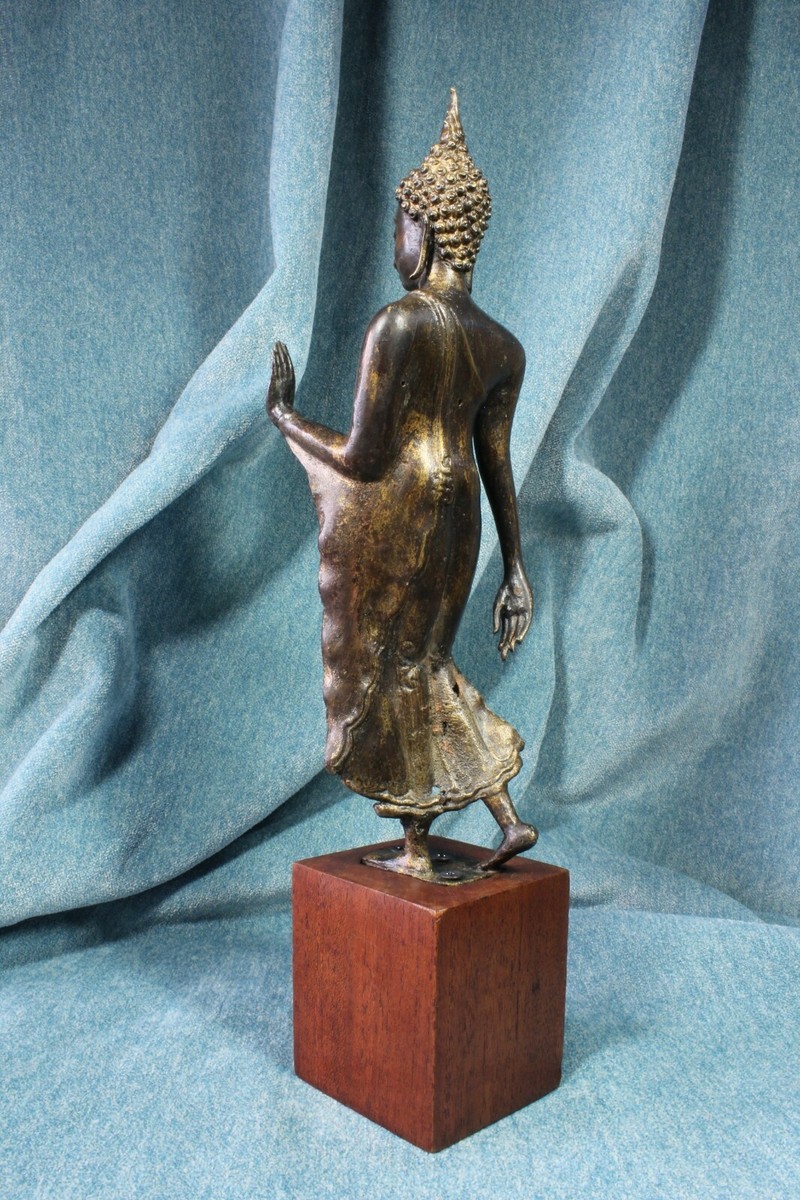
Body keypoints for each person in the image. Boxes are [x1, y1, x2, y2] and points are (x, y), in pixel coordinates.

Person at [267, 89, 537, 880]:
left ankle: (436, 840)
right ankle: (461, 831)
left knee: (395, 668)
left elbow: (359, 458)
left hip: (405, 513)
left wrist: (285, 417)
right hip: (461, 522)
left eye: (400, 227)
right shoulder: (503, 346)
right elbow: (495, 461)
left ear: (429, 228)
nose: (395, 245)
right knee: (426, 664)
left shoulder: (399, 324)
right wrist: (514, 565)